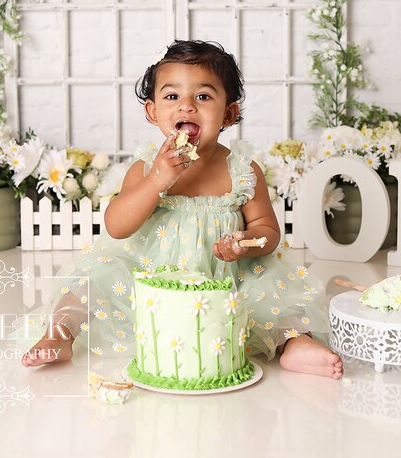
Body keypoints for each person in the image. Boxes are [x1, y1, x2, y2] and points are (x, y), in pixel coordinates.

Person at [21, 40, 342, 379]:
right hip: (149, 280)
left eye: (203, 97)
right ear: (153, 111)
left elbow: (268, 231)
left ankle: (294, 344)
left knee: (272, 289)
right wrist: (157, 180)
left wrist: (246, 241)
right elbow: (116, 226)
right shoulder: (145, 169)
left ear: (229, 114)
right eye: (172, 97)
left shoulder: (243, 170)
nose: (186, 107)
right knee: (93, 278)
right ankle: (59, 335)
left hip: (227, 281)